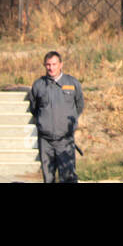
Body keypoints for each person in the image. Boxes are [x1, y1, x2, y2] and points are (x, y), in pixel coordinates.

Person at [28, 51, 84, 184]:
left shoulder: (72, 83)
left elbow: (79, 105)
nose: (51, 68)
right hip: (45, 141)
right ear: (44, 66)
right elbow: (34, 108)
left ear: (61, 65)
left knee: (68, 178)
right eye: (48, 65)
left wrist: (67, 123)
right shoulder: (38, 85)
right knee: (48, 178)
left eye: (54, 64)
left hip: (65, 140)